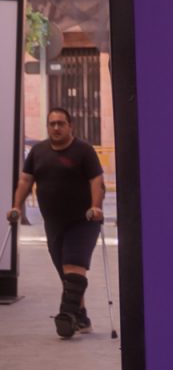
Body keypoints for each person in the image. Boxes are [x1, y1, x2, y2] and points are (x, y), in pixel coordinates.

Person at [7, 107, 105, 338]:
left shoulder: (83, 150)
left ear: (71, 126)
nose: (56, 127)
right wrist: (16, 206)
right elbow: (25, 179)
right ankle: (81, 316)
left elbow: (96, 180)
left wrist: (96, 206)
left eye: (61, 123)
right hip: (53, 222)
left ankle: (66, 317)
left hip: (83, 220)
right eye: (52, 124)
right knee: (67, 274)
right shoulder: (39, 151)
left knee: (73, 266)